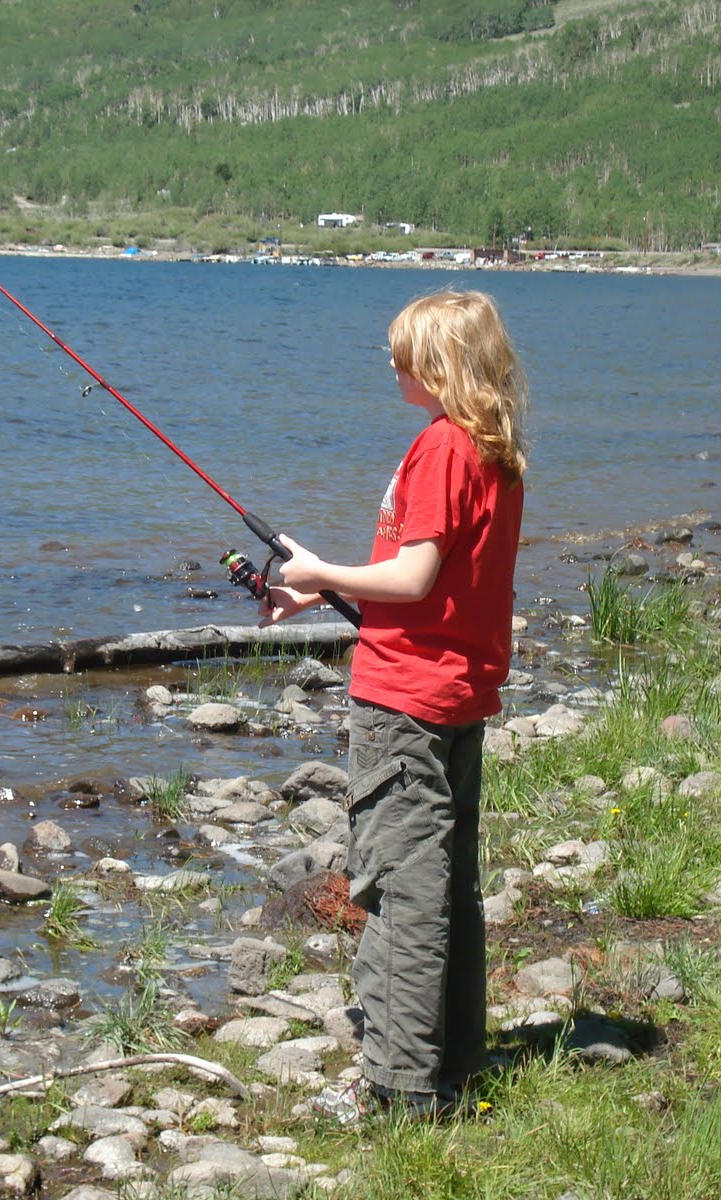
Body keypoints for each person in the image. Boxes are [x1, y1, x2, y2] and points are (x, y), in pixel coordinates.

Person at [260, 288, 527, 1121]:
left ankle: (404, 1091)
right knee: (446, 885)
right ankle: (455, 1059)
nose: (391, 361)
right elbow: (435, 589)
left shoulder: (442, 448)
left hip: (404, 702)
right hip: (452, 694)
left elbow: (411, 577)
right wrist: (319, 595)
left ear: (440, 365)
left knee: (403, 892)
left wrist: (321, 571)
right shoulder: (492, 448)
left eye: (402, 349)